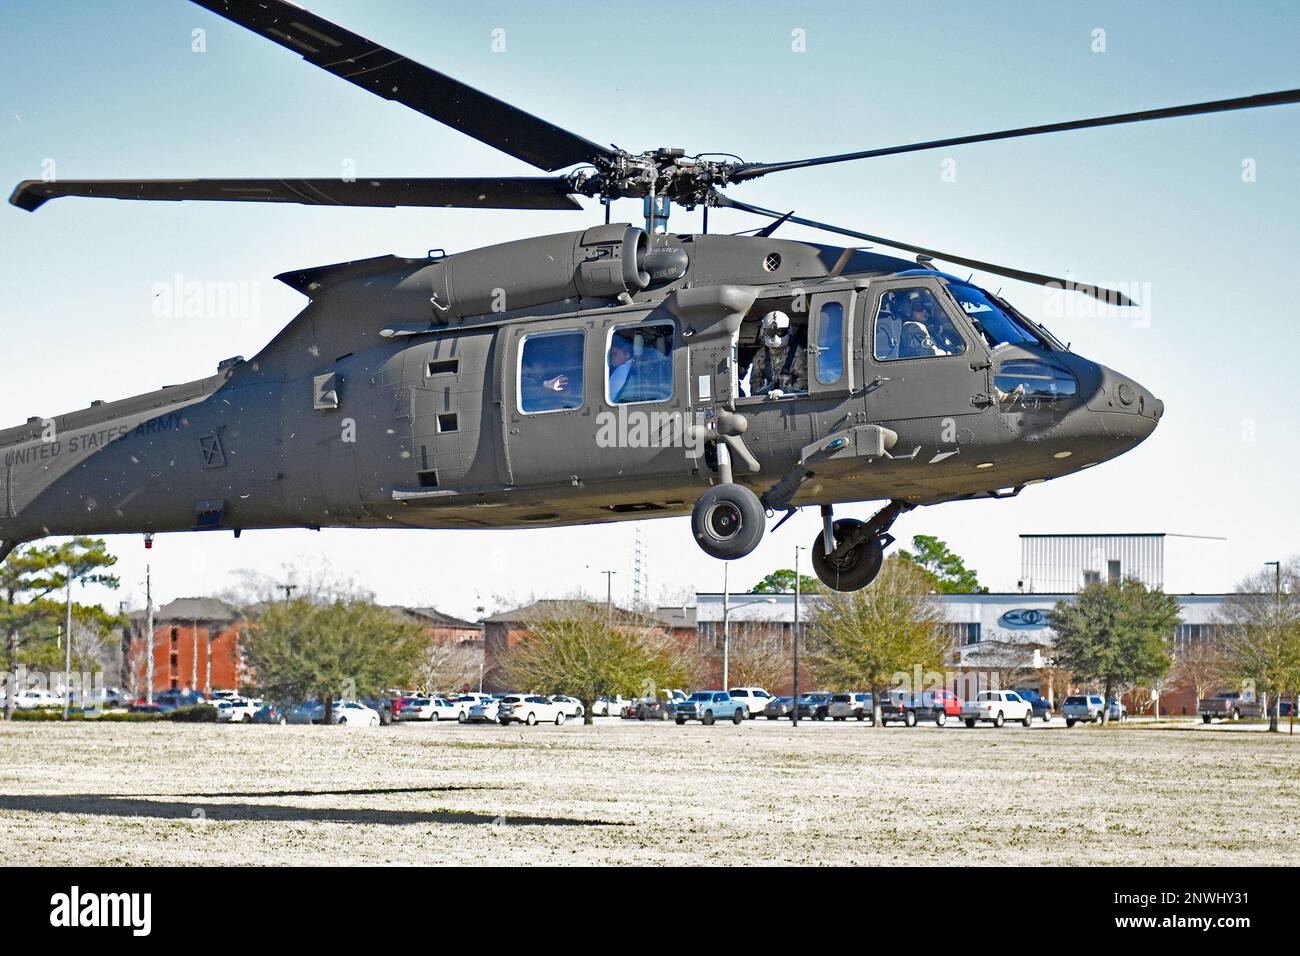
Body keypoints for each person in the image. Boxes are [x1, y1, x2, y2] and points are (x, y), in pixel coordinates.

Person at [749, 310, 807, 396]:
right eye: (771, 332)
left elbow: (804, 380)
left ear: (788, 331)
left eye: (780, 331)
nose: (776, 337)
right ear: (763, 332)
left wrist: (786, 393)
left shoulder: (798, 354)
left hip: (793, 401)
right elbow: (755, 381)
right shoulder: (760, 355)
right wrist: (763, 393)